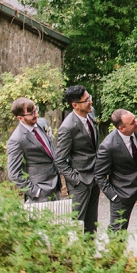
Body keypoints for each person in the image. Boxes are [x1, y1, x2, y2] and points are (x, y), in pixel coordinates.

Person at [54, 85, 100, 232]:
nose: (90, 102)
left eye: (89, 97)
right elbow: (59, 160)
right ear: (75, 105)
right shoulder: (67, 127)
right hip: (80, 183)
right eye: (86, 100)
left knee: (92, 223)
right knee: (77, 224)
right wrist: (76, 179)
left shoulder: (91, 115)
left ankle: (91, 251)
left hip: (95, 178)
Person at [6, 97, 61, 203]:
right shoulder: (17, 139)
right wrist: (36, 192)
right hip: (40, 192)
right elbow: (14, 174)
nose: (36, 115)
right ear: (20, 118)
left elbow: (50, 151)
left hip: (56, 185)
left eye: (36, 110)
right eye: (31, 113)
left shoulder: (42, 123)